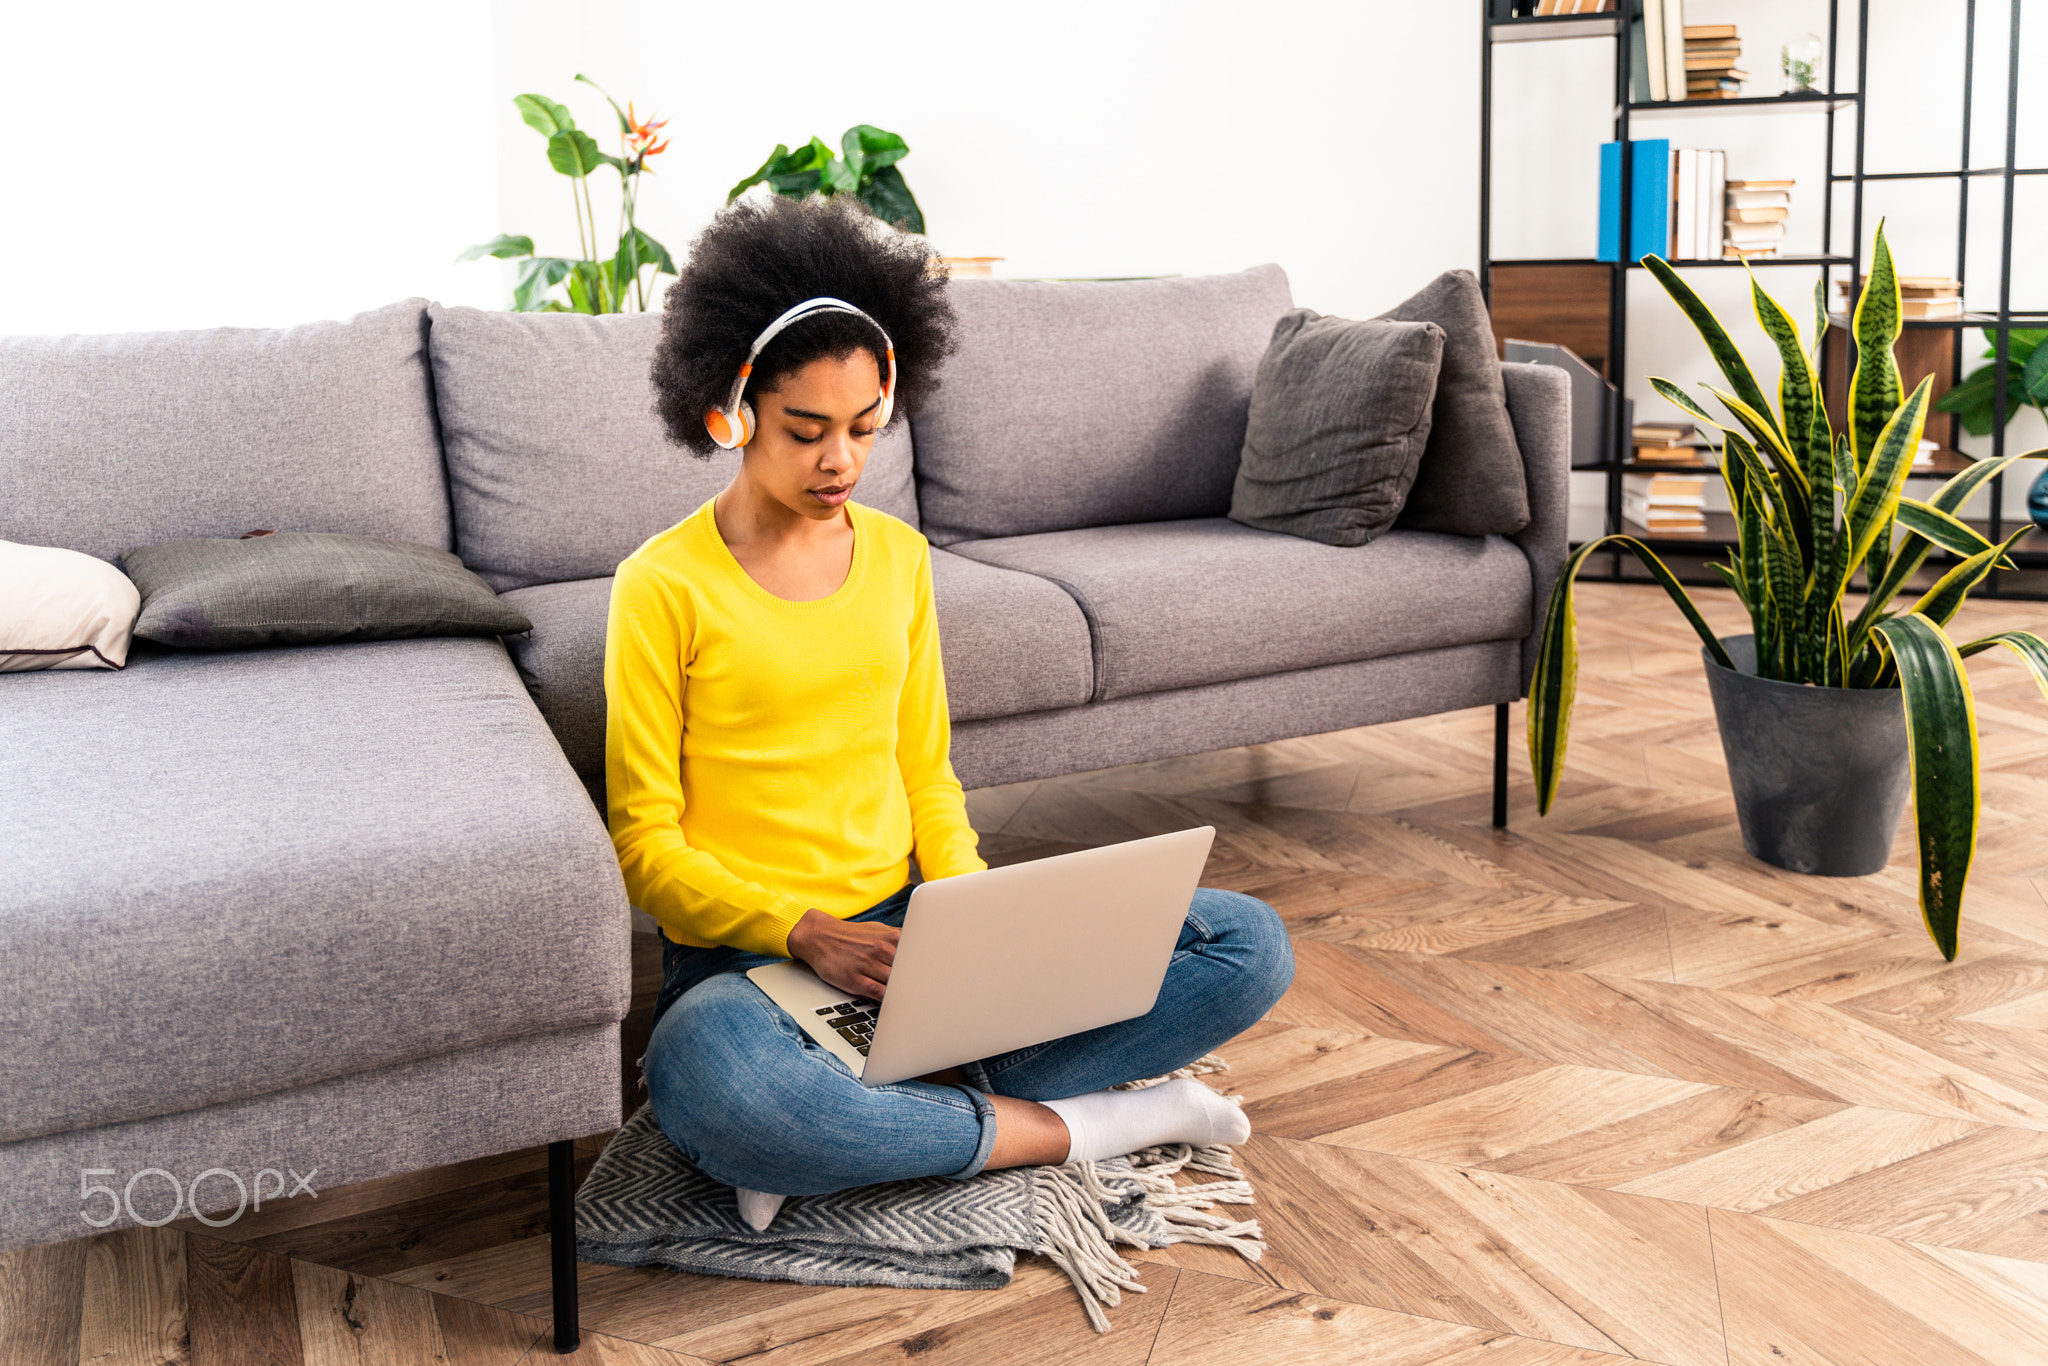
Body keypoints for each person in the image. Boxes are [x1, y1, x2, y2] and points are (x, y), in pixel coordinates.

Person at [608, 194, 1294, 1231]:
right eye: (806, 431)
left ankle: (859, 1120)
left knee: (1248, 943)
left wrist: (975, 930)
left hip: (914, 936)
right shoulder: (661, 585)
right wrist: (803, 932)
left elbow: (925, 771)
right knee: (716, 1078)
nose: (841, 462)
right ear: (732, 408)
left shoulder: (897, 558)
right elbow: (644, 845)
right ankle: (1091, 1124)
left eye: (863, 429)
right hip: (750, 966)